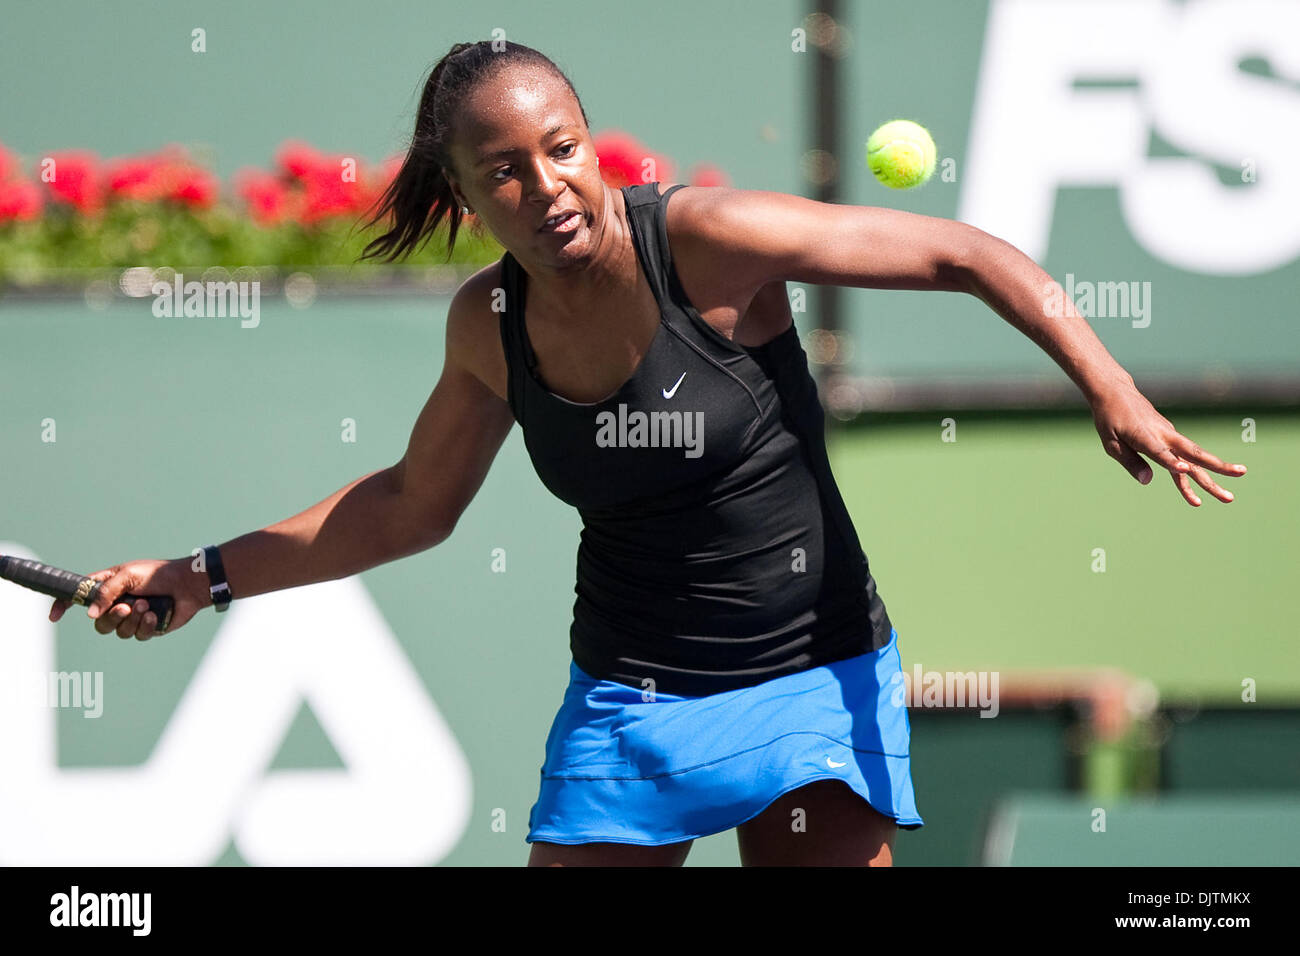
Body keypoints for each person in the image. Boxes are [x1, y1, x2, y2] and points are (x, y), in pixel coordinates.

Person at [49, 40, 1247, 867]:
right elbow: (411, 503)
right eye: (505, 171)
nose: (547, 186)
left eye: (561, 148)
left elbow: (963, 253)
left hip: (807, 677)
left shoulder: (715, 243)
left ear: (589, 141)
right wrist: (202, 574)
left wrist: (1110, 387)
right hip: (629, 699)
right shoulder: (490, 325)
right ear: (464, 193)